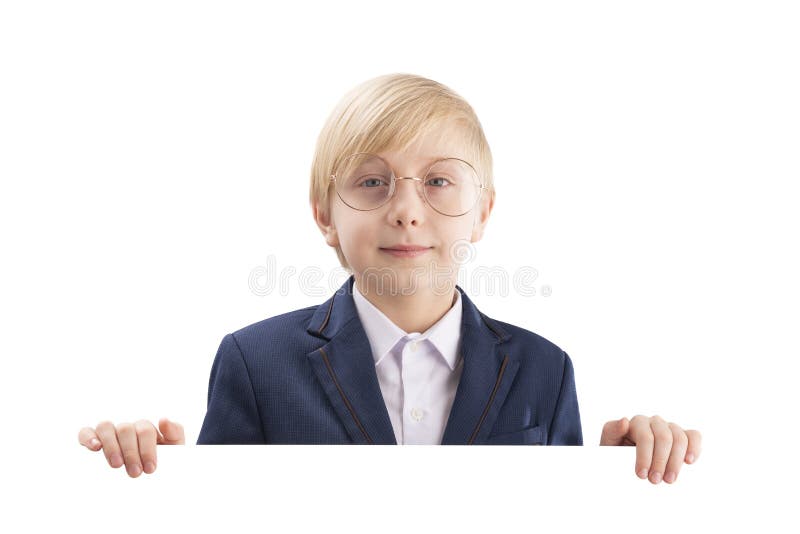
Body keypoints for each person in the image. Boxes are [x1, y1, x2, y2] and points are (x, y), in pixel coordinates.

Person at [78, 73, 702, 484]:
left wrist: (619, 482)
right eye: (372, 182)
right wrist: (159, 482)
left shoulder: (545, 369)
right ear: (325, 214)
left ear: (482, 212)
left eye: (437, 180)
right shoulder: (254, 362)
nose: (406, 208)